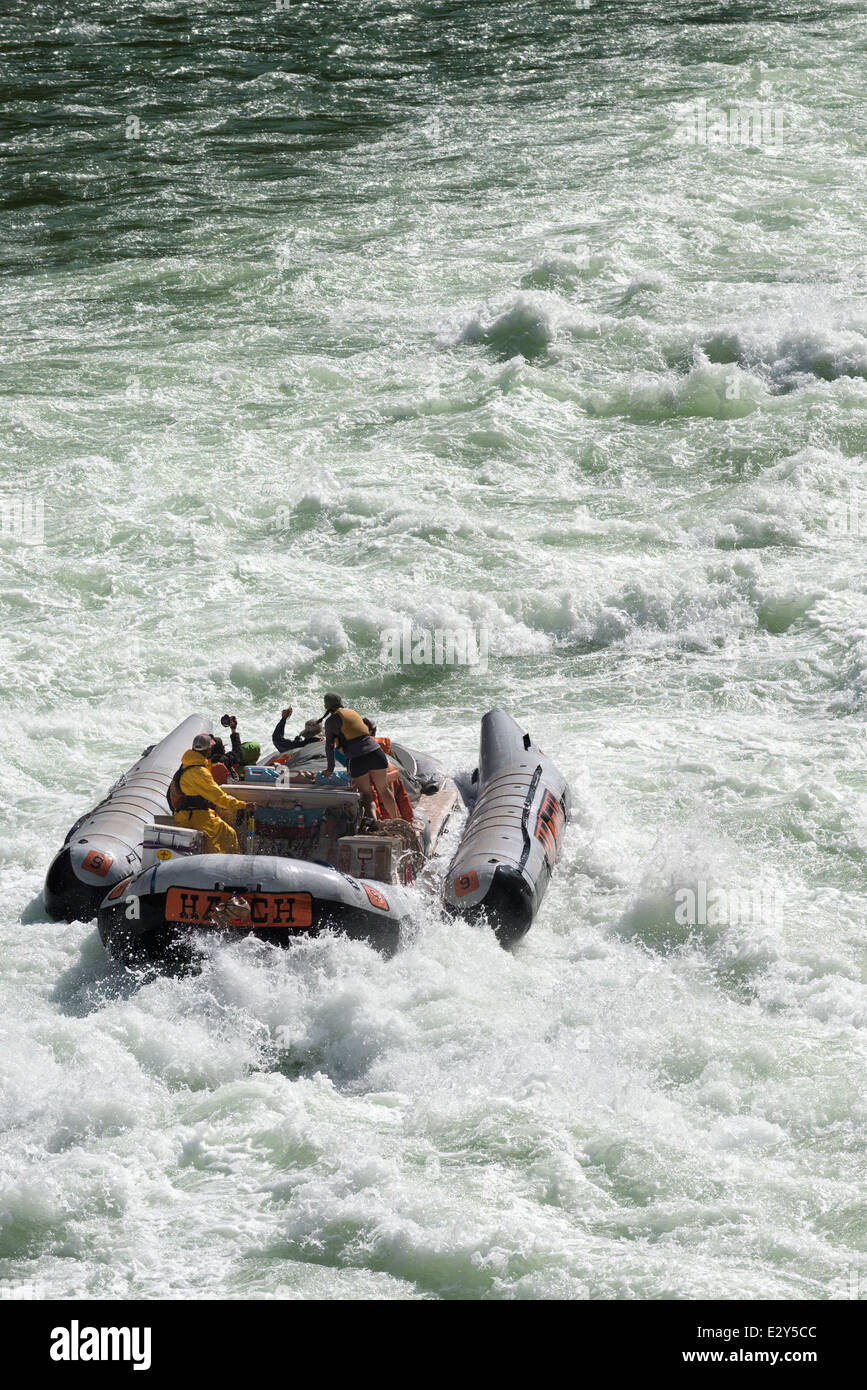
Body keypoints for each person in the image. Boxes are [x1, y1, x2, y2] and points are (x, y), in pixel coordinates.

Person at [323, 692, 398, 821]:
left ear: (326, 706)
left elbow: (329, 746)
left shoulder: (330, 721)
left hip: (357, 758)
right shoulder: (352, 712)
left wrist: (330, 768)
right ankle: (396, 821)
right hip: (375, 751)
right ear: (340, 702)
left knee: (367, 795)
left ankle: (375, 824)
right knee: (383, 789)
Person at [169, 733, 246, 854]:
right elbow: (219, 798)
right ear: (208, 750)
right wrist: (243, 805)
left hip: (187, 815)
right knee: (229, 834)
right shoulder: (199, 772)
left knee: (218, 837)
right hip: (195, 817)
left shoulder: (186, 764)